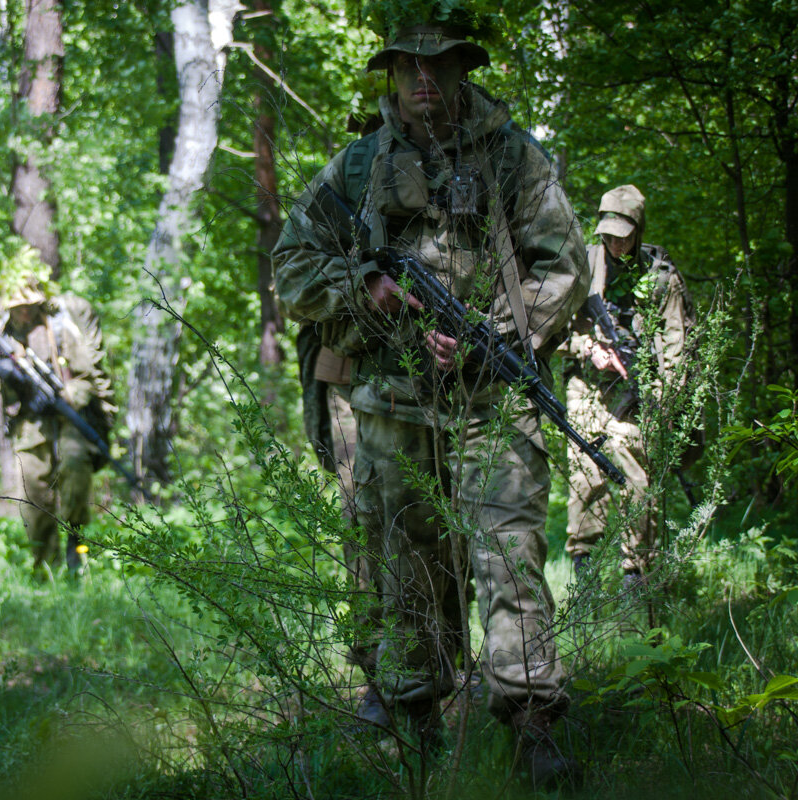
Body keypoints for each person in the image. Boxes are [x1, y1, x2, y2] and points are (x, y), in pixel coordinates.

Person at [272, 14, 588, 788]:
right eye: (408, 65)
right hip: (393, 404)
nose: (423, 80)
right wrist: (366, 288)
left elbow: (566, 265)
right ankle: (415, 724)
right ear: (391, 72)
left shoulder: (514, 158)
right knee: (408, 571)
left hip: (493, 401)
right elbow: (291, 265)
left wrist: (495, 335)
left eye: (439, 65)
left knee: (511, 557)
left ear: (461, 70)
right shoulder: (355, 168)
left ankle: (529, 720)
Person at [563, 185, 694, 584]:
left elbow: (676, 345)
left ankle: (635, 577)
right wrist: (587, 347)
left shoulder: (660, 279)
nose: (616, 244)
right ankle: (582, 576)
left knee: (637, 479)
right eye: (609, 235)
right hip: (587, 385)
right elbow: (548, 328)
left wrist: (665, 401)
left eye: (624, 235)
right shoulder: (582, 265)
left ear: (638, 230)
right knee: (585, 476)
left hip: (639, 388)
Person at [0, 278, 112, 577]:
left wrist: (66, 395)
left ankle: (77, 547)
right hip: (30, 422)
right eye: (17, 307)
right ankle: (44, 564)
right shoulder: (0, 333)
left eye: (29, 306)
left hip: (67, 413)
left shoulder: (61, 325)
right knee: (34, 491)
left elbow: (89, 378)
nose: (24, 313)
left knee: (75, 472)